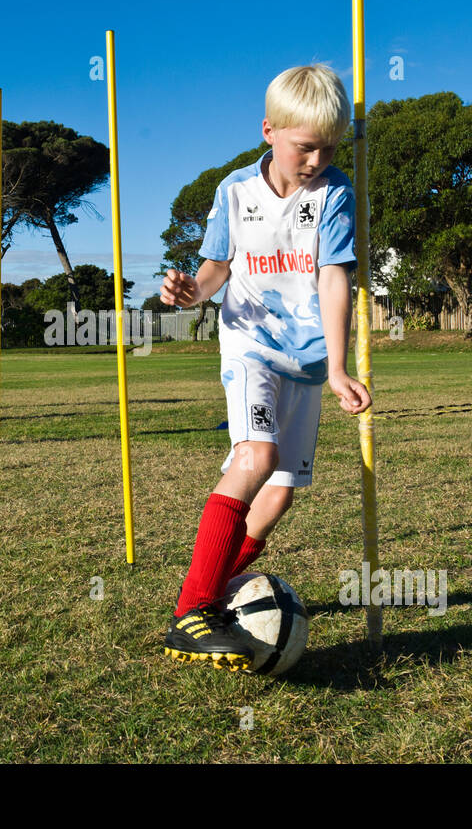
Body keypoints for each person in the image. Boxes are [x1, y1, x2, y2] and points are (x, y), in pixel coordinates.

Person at [157, 65, 371, 670]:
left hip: (307, 362)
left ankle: (216, 597)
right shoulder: (234, 191)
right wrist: (190, 294)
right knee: (258, 457)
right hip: (249, 343)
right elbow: (216, 269)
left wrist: (336, 367)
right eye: (306, 146)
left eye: (329, 147)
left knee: (277, 498)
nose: (317, 159)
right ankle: (191, 611)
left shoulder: (334, 194)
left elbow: (335, 276)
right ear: (269, 132)